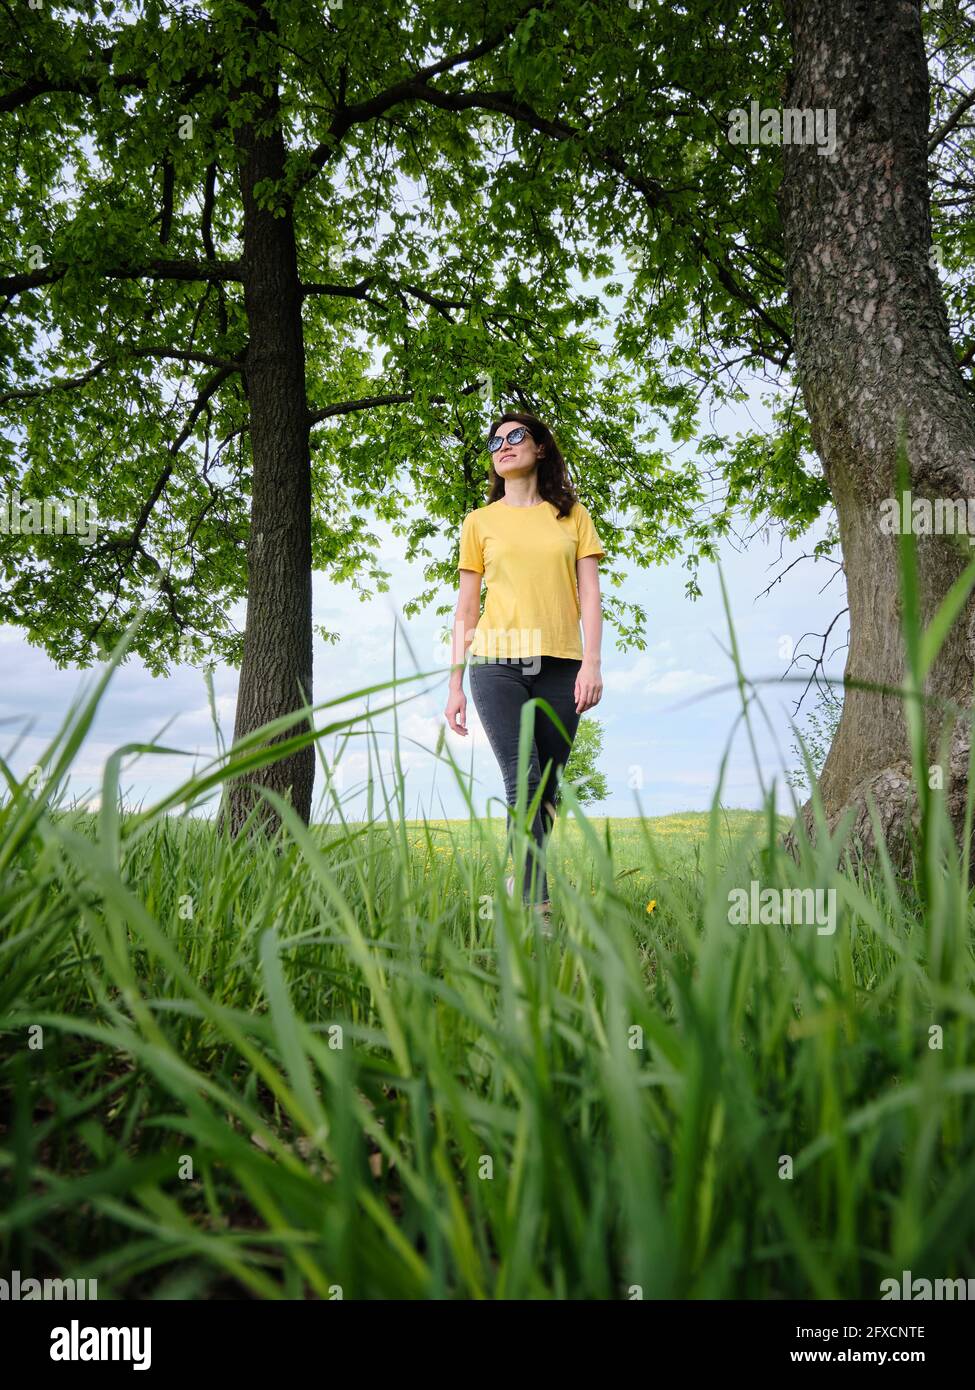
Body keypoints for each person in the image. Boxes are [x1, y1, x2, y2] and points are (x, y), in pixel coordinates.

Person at [444, 411, 605, 931]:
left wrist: (592, 663)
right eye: (495, 441)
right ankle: (538, 911)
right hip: (496, 661)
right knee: (525, 779)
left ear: (539, 449)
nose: (504, 445)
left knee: (549, 788)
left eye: (517, 437)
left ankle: (520, 877)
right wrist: (454, 682)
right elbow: (467, 607)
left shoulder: (572, 515)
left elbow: (591, 594)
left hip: (561, 664)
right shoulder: (479, 522)